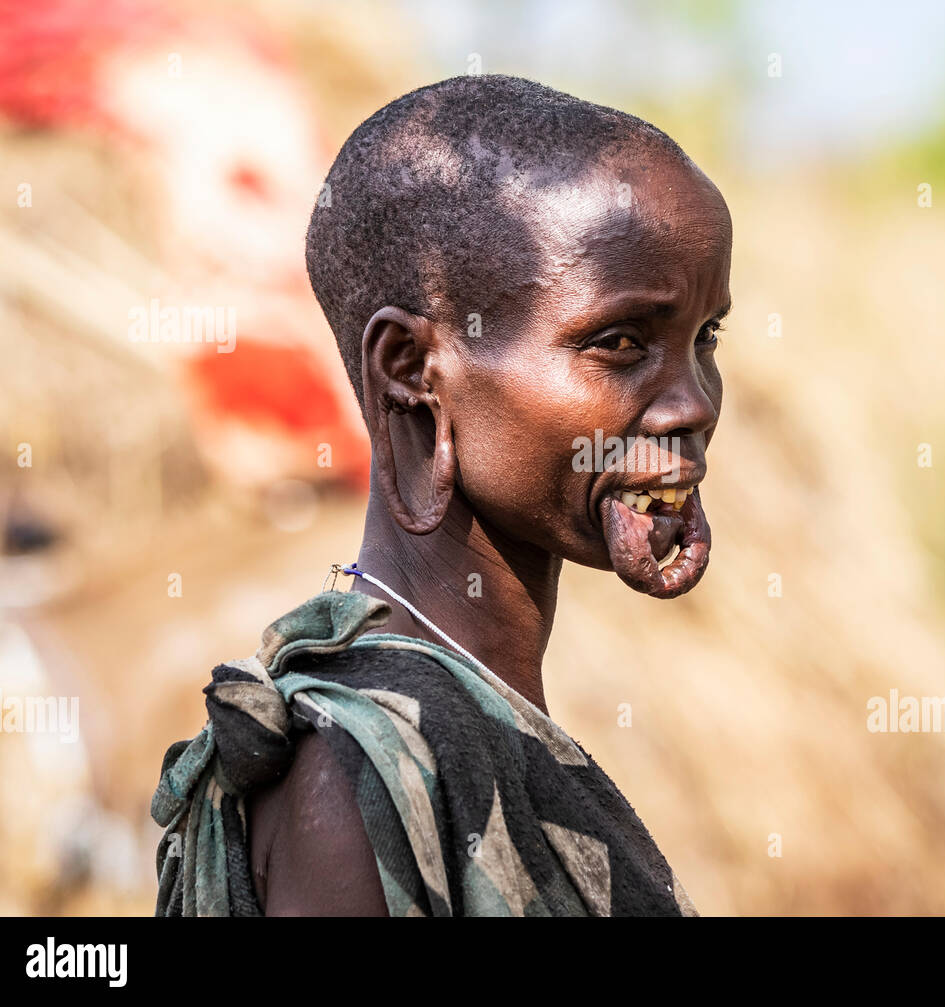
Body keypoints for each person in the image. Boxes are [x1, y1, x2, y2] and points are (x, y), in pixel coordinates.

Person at [151, 74, 732, 916]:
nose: (696, 403)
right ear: (413, 372)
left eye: (705, 337)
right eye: (621, 341)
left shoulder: (467, 722)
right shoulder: (359, 786)